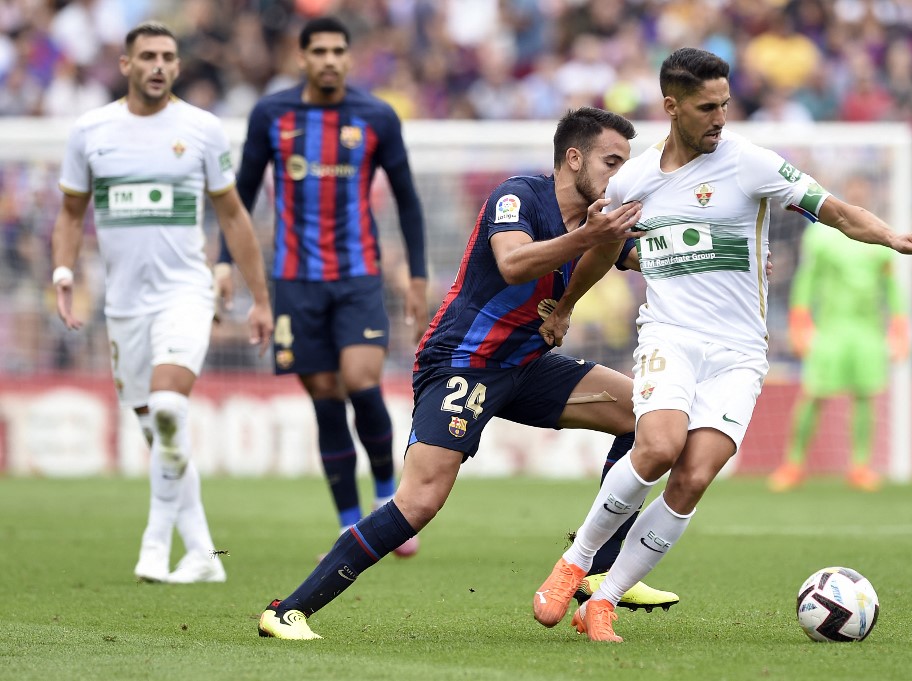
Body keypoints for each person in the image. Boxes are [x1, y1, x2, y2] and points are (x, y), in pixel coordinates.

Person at [532, 47, 912, 643]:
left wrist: (893, 236)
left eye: (726, 105)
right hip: (670, 336)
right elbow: (602, 247)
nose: (721, 118)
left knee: (695, 476)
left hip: (738, 353)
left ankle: (603, 601)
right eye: (708, 107)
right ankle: (574, 562)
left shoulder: (750, 163)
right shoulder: (635, 180)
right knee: (656, 447)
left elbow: (833, 211)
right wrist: (568, 303)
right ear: (672, 107)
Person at [257, 106, 680, 640]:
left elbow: (636, 255)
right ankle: (288, 609)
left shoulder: (602, 218)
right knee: (419, 501)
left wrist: (716, 258)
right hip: (463, 361)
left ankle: (597, 573)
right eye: (610, 161)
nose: (620, 174)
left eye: (625, 163)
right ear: (573, 159)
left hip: (527, 365)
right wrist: (590, 238)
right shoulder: (519, 196)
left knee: (644, 419)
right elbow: (513, 263)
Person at [51, 21, 273, 583]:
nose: (158, 65)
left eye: (167, 56)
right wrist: (61, 270)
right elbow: (72, 212)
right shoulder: (90, 130)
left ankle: (154, 545)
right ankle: (202, 554)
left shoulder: (201, 129)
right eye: (146, 55)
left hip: (185, 292)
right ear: (125, 65)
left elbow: (232, 214)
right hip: (124, 305)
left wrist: (259, 296)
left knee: (170, 410)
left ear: (177, 66)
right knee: (158, 435)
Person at [215, 17, 427, 557]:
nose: (330, 59)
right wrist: (223, 262)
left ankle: (387, 501)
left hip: (357, 276)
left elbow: (406, 197)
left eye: (339, 50)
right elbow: (239, 197)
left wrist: (418, 276)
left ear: (349, 57)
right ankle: (347, 520)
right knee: (326, 398)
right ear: (302, 57)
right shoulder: (272, 115)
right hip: (294, 282)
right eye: (320, 51)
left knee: (361, 380)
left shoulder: (376, 116)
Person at [769, 175, 910, 494]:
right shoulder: (822, 235)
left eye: (864, 188)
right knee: (814, 394)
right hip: (830, 329)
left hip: (868, 331)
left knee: (866, 396)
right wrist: (799, 320)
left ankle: (860, 466)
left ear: (870, 193)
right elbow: (807, 280)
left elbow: (891, 288)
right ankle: (794, 463)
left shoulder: (882, 237)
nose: (859, 192)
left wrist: (899, 327)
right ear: (847, 192)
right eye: (854, 188)